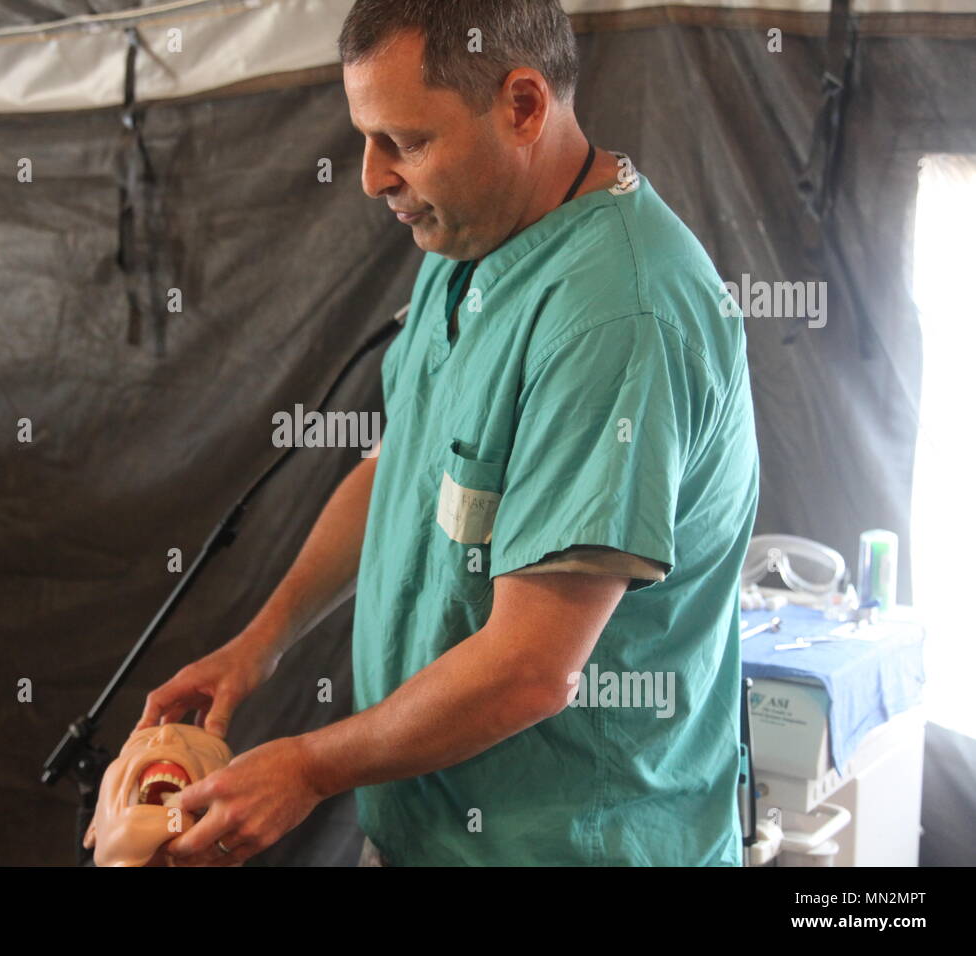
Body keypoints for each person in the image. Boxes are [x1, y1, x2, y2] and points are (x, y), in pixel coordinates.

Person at [136, 0, 759, 866]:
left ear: (523, 106)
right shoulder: (465, 247)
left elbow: (531, 668)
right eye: (365, 137)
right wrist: (261, 645)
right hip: (423, 831)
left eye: (406, 141)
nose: (371, 176)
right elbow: (403, 475)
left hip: (574, 847)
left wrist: (311, 767)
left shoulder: (618, 314)